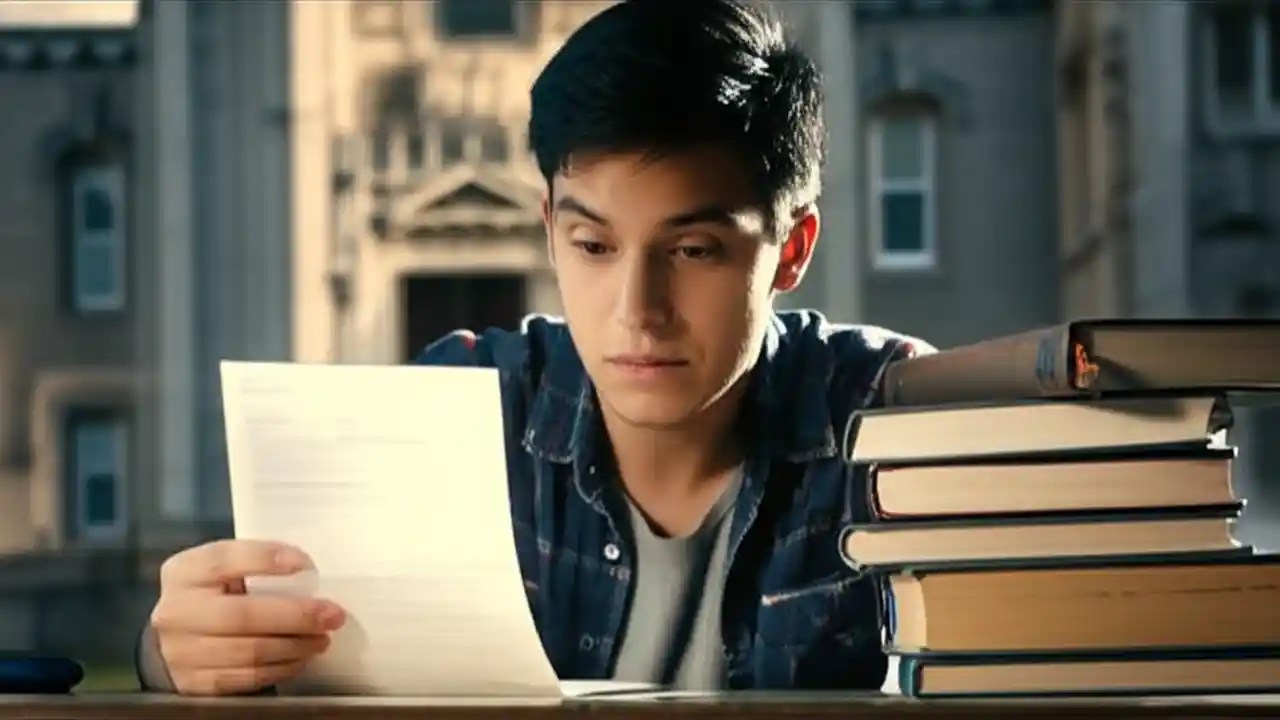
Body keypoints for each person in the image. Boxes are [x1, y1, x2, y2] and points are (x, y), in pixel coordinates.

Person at [137, 0, 931, 696]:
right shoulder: (461, 406)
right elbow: (266, 643)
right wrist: (175, 653)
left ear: (792, 249)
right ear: (550, 231)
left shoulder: (895, 419)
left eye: (693, 251)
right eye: (593, 246)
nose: (638, 313)